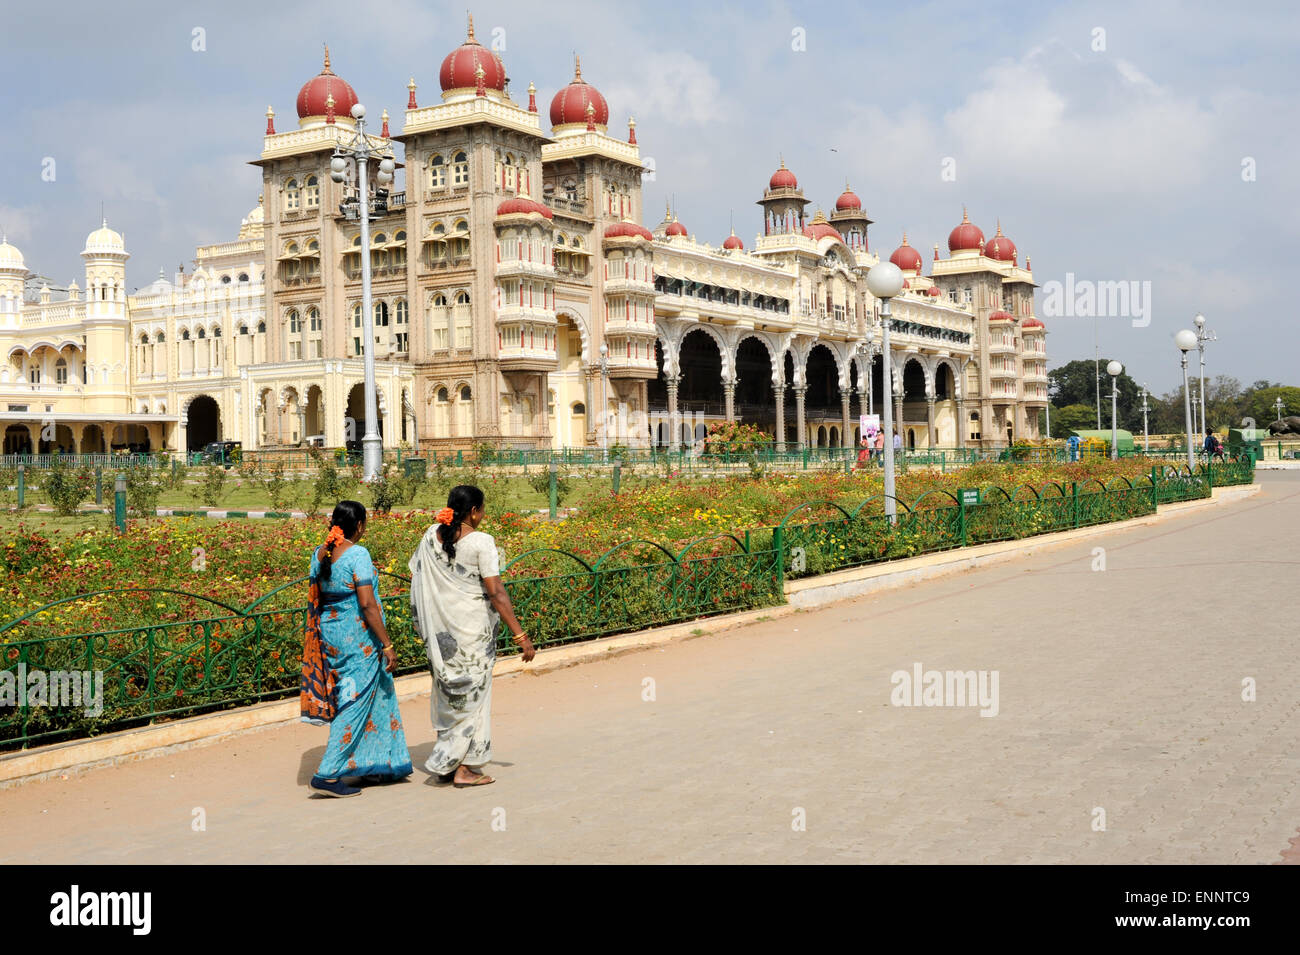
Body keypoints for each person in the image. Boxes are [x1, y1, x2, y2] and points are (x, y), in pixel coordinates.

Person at [407, 485, 535, 788]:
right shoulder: (481, 542)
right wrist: (521, 636)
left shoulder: (431, 535)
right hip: (472, 634)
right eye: (483, 509)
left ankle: (446, 762)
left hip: (442, 636)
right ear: (475, 511)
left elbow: (417, 577)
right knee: (474, 698)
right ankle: (465, 767)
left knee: (450, 694)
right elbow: (496, 592)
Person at [301, 500, 412, 798]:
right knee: (354, 701)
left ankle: (374, 764)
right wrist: (387, 644)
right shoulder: (358, 554)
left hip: (332, 635)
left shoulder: (320, 553)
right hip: (358, 638)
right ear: (360, 526)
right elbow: (367, 604)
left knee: (369, 694)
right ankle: (327, 773)